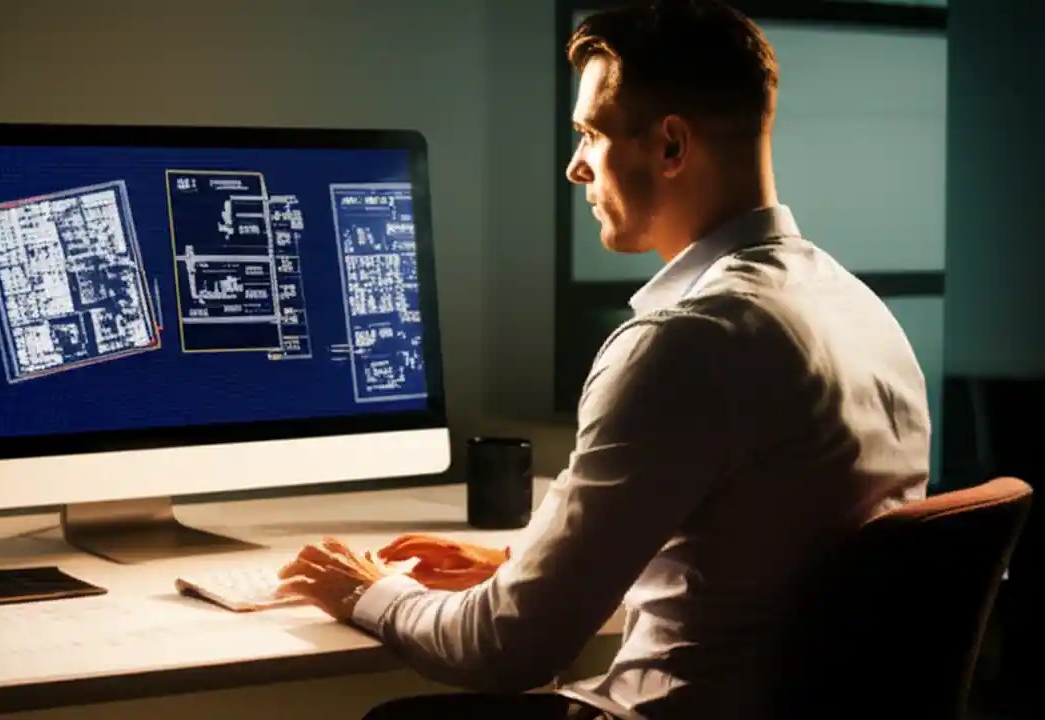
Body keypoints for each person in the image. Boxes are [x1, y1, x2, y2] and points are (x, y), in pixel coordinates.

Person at [278, 0, 931, 717]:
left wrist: (365, 591)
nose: (574, 167)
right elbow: (755, 545)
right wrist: (522, 564)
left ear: (671, 147)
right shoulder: (860, 310)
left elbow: (505, 651)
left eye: (590, 133)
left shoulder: (686, 342)